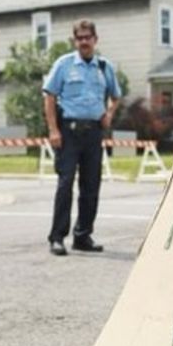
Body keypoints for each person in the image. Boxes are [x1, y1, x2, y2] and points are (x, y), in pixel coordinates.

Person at [42, 19, 121, 256]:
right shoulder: (64, 64)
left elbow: (116, 95)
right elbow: (49, 96)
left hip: (93, 133)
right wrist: (53, 130)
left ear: (95, 40)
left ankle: (83, 235)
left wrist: (108, 114)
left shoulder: (104, 67)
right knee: (65, 184)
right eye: (80, 38)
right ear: (74, 41)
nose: (84, 41)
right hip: (68, 132)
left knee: (91, 186)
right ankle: (57, 238)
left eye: (88, 37)